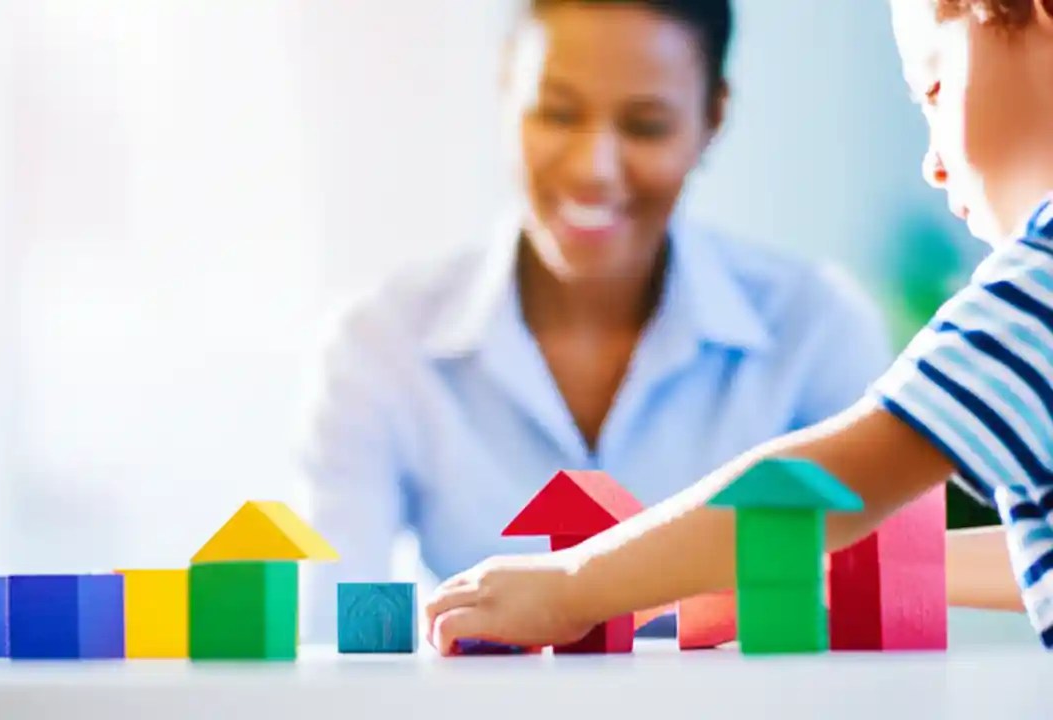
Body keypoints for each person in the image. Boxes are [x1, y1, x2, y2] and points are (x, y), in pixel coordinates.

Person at [424, 0, 1053, 653]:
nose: (934, 164)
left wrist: (571, 586)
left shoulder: (1037, 287)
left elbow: (828, 479)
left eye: (933, 88)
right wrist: (805, 574)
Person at [295, 0, 892, 640]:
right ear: (505, 88)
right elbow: (332, 636)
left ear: (712, 118)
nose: (593, 168)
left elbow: (876, 618)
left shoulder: (814, 331)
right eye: (557, 114)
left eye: (645, 126)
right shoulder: (381, 344)